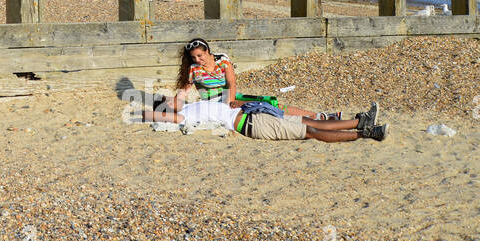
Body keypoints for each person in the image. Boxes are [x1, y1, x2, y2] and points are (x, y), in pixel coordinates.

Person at [171, 38, 336, 121]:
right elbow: (185, 90)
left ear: (207, 51)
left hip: (230, 97)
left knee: (272, 103)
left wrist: (231, 101)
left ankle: (318, 116)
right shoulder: (194, 69)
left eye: (200, 55)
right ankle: (317, 119)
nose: (197, 60)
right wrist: (175, 105)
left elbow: (231, 83)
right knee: (265, 109)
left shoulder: (222, 60)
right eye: (194, 57)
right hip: (213, 103)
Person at [145, 98, 386, 143]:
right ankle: (365, 133)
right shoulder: (183, 116)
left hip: (255, 113)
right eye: (168, 100)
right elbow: (150, 115)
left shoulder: (191, 104)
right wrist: (145, 109)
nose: (173, 97)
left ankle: (360, 121)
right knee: (310, 131)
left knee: (309, 121)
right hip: (253, 125)